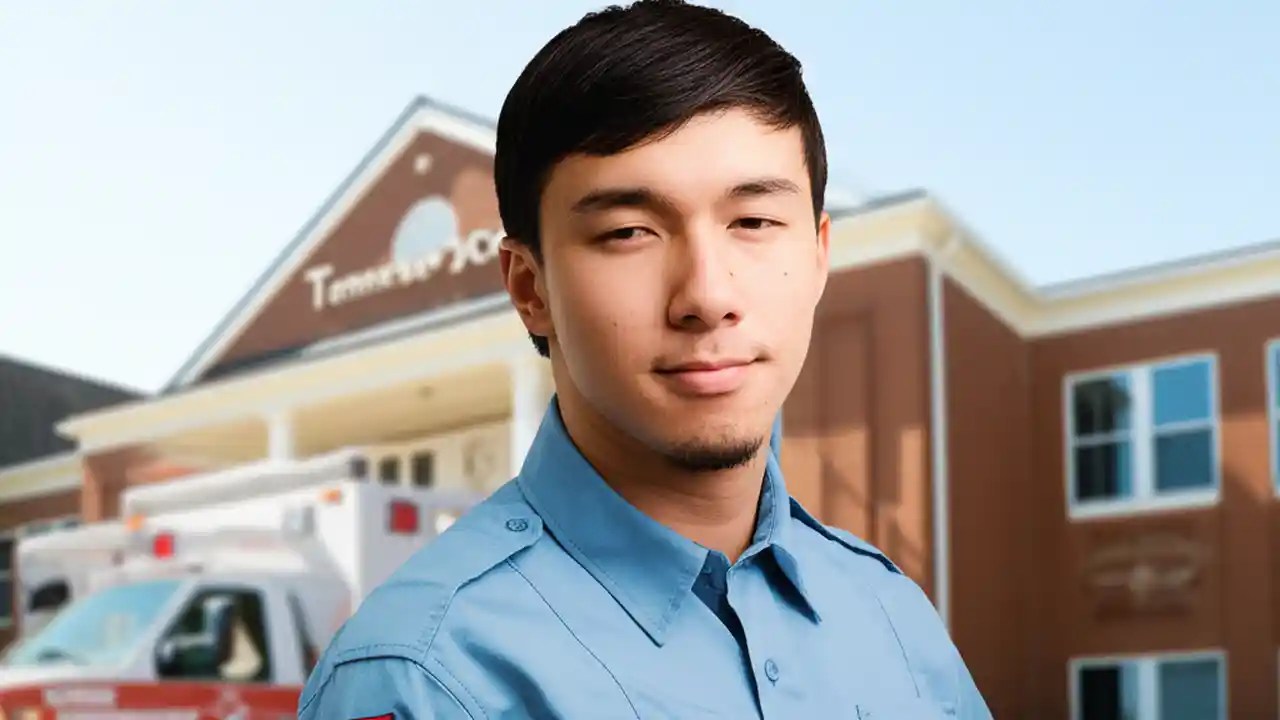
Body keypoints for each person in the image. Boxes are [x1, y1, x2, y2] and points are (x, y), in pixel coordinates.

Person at [298, 1, 992, 717]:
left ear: (819, 257)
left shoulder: (894, 621)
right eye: (630, 232)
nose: (708, 296)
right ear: (530, 288)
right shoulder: (424, 677)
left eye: (754, 221)